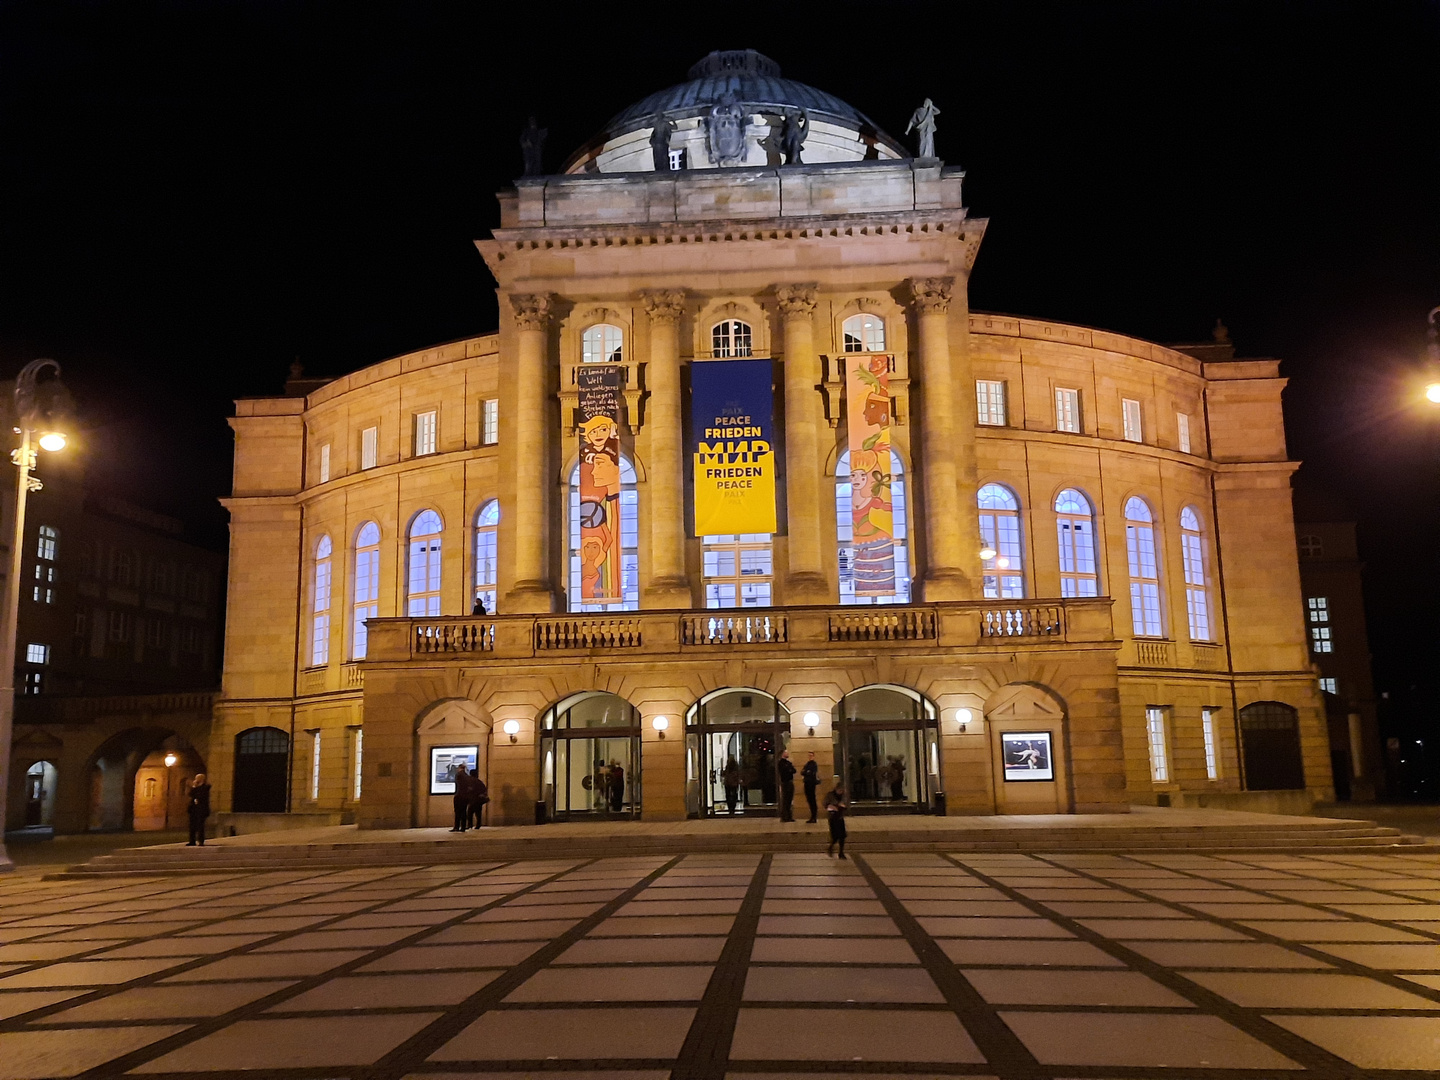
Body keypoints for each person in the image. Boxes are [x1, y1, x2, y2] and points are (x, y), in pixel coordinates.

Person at [186, 773, 211, 846]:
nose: (195, 780)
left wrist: (196, 790)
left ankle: (201, 840)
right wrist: (193, 787)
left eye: (197, 778)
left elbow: (201, 796)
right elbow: (190, 794)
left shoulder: (206, 787)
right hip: (193, 809)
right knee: (192, 825)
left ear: (201, 779)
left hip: (201, 809)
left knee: (200, 825)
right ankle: (192, 841)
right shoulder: (195, 788)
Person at [825, 784, 848, 858]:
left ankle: (841, 852)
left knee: (842, 835)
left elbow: (846, 804)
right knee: (835, 836)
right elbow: (825, 804)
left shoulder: (843, 796)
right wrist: (833, 806)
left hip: (840, 817)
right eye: (839, 790)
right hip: (833, 817)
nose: (841, 792)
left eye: (842, 791)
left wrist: (843, 806)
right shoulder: (830, 795)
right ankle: (831, 847)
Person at [451, 763, 473, 832]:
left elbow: (458, 785)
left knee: (457, 812)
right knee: (463, 812)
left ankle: (456, 827)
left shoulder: (459, 775)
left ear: (459, 768)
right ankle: (463, 827)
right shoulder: (467, 776)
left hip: (459, 795)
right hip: (465, 797)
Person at [777, 749, 796, 822]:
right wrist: (789, 769)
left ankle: (789, 816)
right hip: (785, 782)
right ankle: (784, 817)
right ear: (783, 754)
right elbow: (784, 771)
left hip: (790, 782)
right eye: (786, 752)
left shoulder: (788, 763)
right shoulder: (781, 763)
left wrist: (789, 769)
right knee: (785, 800)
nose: (787, 754)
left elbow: (793, 770)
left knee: (789, 800)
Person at [801, 752, 820, 823]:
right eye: (809, 755)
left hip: (811, 784)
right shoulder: (808, 764)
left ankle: (814, 816)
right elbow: (802, 772)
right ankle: (812, 816)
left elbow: (810, 773)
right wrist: (806, 772)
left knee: (812, 800)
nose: (810, 757)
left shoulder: (813, 764)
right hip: (807, 783)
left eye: (811, 755)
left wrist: (806, 772)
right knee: (809, 800)